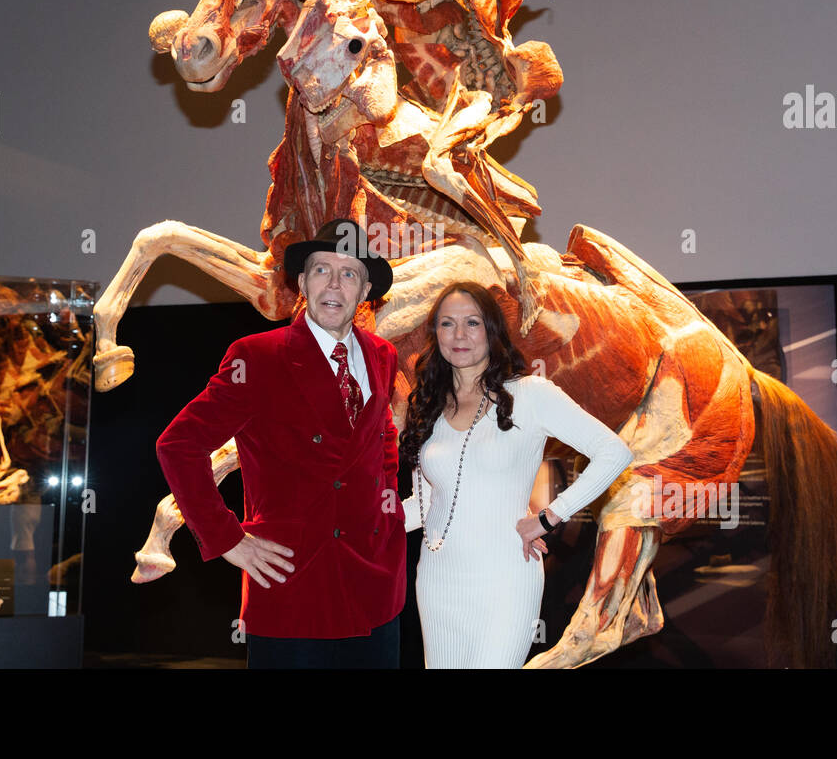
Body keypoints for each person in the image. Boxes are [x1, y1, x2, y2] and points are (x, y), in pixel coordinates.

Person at [155, 218, 405, 668]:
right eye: (321, 270)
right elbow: (179, 444)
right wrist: (226, 538)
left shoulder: (381, 356)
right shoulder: (257, 357)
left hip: (375, 587)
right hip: (293, 585)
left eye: (349, 273)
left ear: (365, 291)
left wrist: (389, 512)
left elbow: (381, 439)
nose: (334, 283)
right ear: (303, 282)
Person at [400, 282, 634, 668]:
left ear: (491, 331)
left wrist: (548, 517)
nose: (459, 335)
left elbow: (614, 452)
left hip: (506, 578)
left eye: (472, 322)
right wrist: (363, 523)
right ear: (435, 334)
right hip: (438, 580)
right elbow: (425, 507)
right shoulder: (427, 408)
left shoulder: (530, 395)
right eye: (447, 324)